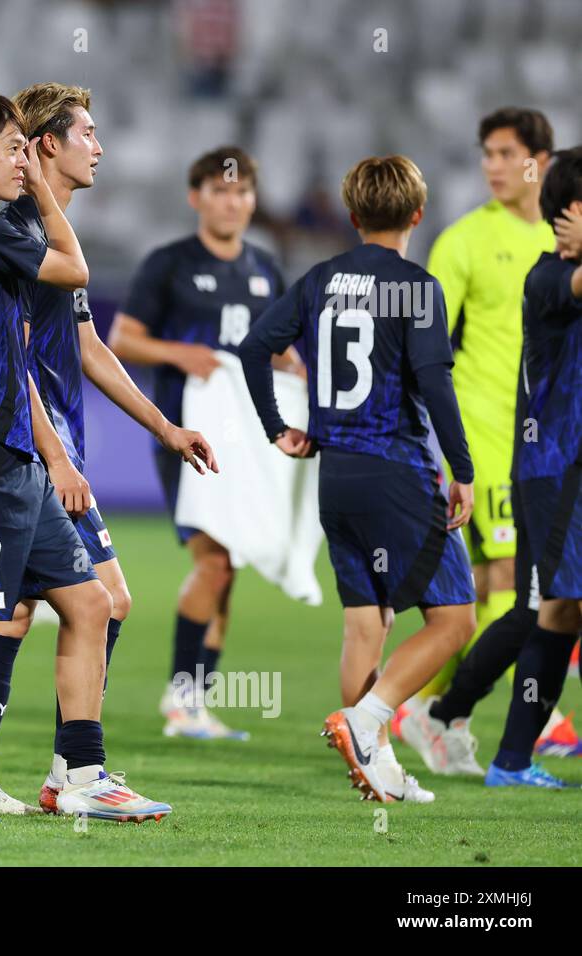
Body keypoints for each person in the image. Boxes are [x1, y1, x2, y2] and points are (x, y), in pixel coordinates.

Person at [0, 93, 182, 824]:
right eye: (13, 149)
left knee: (87, 602)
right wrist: (57, 456)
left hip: (14, 452)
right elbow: (68, 281)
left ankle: (75, 774)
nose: (22, 162)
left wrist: (71, 447)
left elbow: (46, 337)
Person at [240, 154, 476, 803]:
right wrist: (464, 470)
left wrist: (278, 427)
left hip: (336, 475)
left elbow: (255, 346)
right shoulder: (416, 286)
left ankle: (377, 769)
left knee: (366, 623)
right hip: (395, 470)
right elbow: (434, 382)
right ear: (418, 214)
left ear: (351, 215)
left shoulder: (322, 277)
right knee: (454, 619)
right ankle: (367, 720)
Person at [108, 146, 293, 739]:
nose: (231, 202)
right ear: (196, 198)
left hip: (246, 439)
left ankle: (195, 701)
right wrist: (178, 352)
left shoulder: (266, 267)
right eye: (218, 190)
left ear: (254, 201)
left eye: (240, 192)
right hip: (185, 432)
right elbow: (122, 339)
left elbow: (280, 347)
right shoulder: (168, 264)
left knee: (228, 565)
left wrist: (297, 373)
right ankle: (182, 698)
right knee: (213, 561)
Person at [410, 109, 556, 708]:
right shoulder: (465, 239)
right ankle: (435, 710)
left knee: (485, 586)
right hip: (483, 425)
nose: (491, 166)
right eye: (486, 154)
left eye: (504, 154)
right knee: (513, 580)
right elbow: (428, 339)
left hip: (546, 434)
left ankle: (416, 706)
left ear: (538, 161)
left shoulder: (562, 236)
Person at [479, 148, 582, 789]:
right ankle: (508, 757)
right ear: (571, 211)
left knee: (562, 610)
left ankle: (509, 756)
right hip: (553, 468)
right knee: (556, 607)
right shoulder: (547, 279)